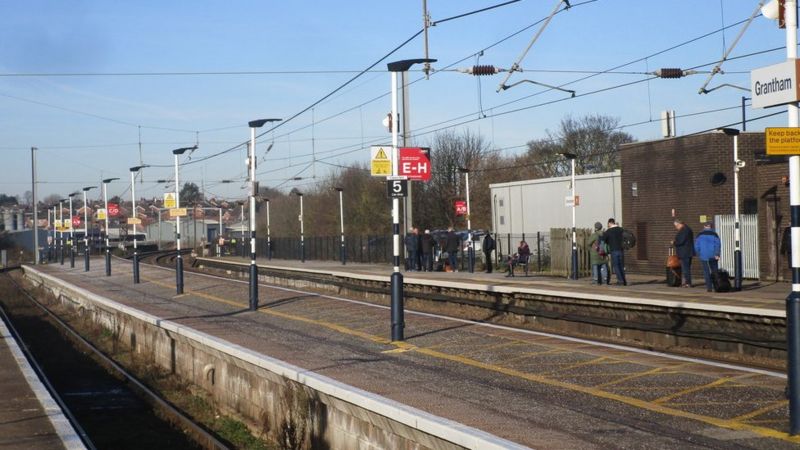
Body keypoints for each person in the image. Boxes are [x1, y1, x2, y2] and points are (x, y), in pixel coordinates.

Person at [694, 222, 721, 292]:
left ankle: (709, 288)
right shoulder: (715, 234)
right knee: (714, 271)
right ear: (711, 227)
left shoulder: (699, 235)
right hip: (713, 255)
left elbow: (696, 246)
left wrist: (699, 253)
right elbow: (718, 245)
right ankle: (717, 286)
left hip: (703, 255)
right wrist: (717, 254)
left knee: (706, 272)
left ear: (704, 226)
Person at [602, 218, 627, 286]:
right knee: (621, 266)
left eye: (608, 224)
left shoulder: (608, 231)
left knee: (616, 266)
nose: (608, 225)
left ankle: (620, 281)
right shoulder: (621, 229)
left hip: (614, 250)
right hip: (621, 250)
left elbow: (603, 239)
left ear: (610, 223)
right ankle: (624, 281)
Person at [673, 219, 695, 287]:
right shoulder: (687, 229)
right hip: (687, 252)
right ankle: (687, 282)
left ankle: (688, 283)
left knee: (686, 268)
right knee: (686, 268)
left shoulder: (684, 230)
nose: (676, 228)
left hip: (685, 252)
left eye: (676, 226)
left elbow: (681, 241)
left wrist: (674, 242)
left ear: (680, 224)